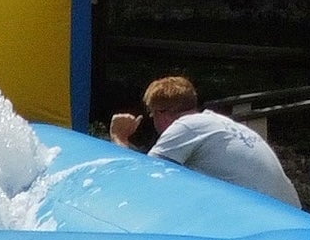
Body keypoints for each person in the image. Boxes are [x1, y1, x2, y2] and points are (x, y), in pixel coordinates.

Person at [109, 75, 300, 205]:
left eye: (152, 114)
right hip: (290, 211)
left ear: (162, 113)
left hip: (262, 218)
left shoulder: (185, 126)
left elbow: (146, 180)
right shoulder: (218, 122)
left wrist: (120, 138)